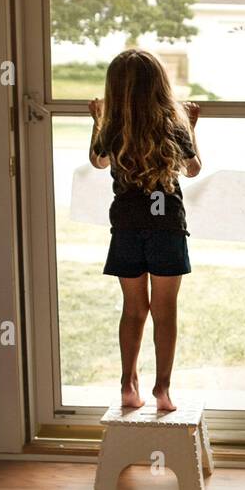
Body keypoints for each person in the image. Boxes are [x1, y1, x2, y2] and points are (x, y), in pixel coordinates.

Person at [87, 49, 202, 413]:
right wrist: (192, 129)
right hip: (166, 226)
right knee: (165, 310)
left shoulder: (113, 126)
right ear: (160, 86)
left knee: (133, 309)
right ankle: (163, 389)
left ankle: (128, 383)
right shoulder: (172, 122)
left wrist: (96, 119)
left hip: (126, 228)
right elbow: (193, 169)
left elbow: (98, 160)